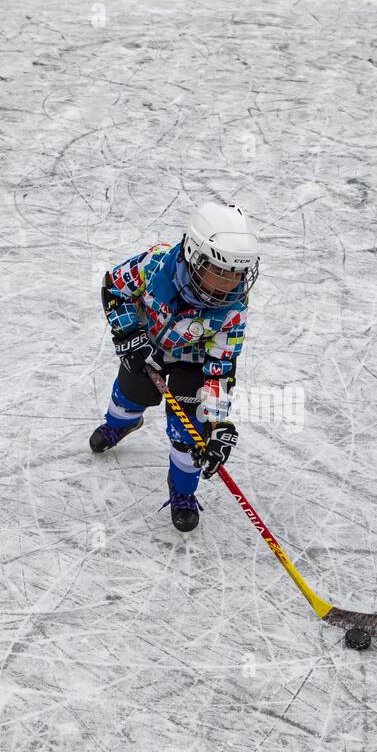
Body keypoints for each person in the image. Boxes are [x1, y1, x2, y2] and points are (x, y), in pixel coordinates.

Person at [91, 203, 257, 532]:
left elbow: (221, 371)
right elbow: (114, 288)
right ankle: (121, 424)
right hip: (147, 344)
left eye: (238, 275)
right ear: (194, 256)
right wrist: (130, 334)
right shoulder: (155, 264)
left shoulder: (233, 310)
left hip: (195, 362)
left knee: (190, 435)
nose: (230, 285)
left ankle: (182, 491)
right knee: (128, 396)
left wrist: (215, 425)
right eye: (221, 272)